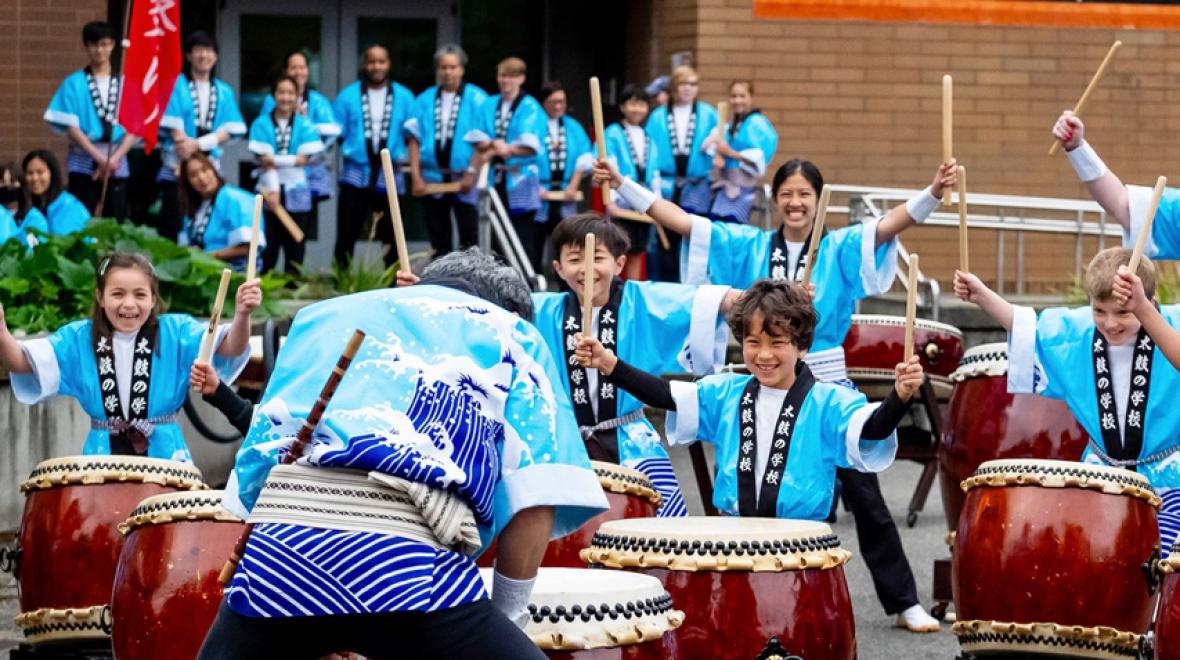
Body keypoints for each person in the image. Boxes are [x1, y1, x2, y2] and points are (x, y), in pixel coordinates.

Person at [593, 155, 953, 632]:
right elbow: (684, 222)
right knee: (749, 485)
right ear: (774, 199)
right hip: (756, 382)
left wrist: (933, 193)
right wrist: (624, 186)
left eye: (805, 194)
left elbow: (889, 225)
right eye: (787, 193)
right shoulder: (751, 246)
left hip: (826, 385)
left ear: (819, 200)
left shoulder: (838, 247)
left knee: (867, 501)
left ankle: (903, 600)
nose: (795, 202)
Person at [199, 248, 608, 659]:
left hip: (280, 557)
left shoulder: (319, 316)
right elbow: (536, 493)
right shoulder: (512, 331)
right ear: (513, 310)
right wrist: (504, 620)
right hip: (408, 570)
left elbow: (257, 464)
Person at [574, 278, 920, 520]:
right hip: (734, 539)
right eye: (753, 343)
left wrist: (900, 396)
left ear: (801, 346)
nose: (764, 355)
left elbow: (873, 430)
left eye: (777, 343)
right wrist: (609, 364)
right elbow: (666, 395)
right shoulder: (727, 393)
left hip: (802, 542)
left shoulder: (829, 401)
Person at [956, 248, 1180, 552]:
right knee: (1100, 558)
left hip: (1169, 475)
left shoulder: (1171, 324)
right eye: (1099, 311)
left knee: (1167, 565)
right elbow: (1029, 328)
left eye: (1123, 313)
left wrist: (1142, 310)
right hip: (1101, 474)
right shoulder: (1079, 332)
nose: (1110, 323)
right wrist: (982, 296)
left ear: (1149, 302)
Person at [532, 214, 738, 517]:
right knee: (549, 521)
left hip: (630, 438)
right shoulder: (542, 309)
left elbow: (711, 300)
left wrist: (770, 300)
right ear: (558, 268)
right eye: (575, 260)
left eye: (597, 258)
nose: (586, 269)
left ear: (619, 264)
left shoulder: (641, 300)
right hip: (565, 439)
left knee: (664, 524)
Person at [0, 252, 256, 460]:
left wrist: (242, 315)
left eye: (140, 294)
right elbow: (21, 363)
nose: (129, 304)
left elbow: (230, 348)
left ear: (153, 299)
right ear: (100, 297)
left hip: (166, 456)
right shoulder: (78, 339)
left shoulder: (176, 332)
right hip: (101, 458)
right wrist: (1, 331)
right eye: (118, 294)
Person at [157, 31, 247, 242]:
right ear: (188, 55)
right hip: (178, 165)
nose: (204, 55)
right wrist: (185, 145)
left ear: (215, 56)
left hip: (209, 167)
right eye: (198, 50)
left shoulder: (224, 91)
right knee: (174, 220)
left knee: (210, 218)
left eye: (209, 50)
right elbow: (173, 125)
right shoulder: (175, 84)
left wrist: (199, 144)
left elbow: (231, 128)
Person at [42, 21, 136, 220]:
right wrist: (100, 159)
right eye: (93, 44)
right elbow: (71, 127)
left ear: (112, 45)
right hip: (83, 160)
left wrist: (113, 159)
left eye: (104, 44)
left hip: (117, 161)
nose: (99, 50)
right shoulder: (73, 83)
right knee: (80, 219)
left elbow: (134, 128)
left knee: (116, 221)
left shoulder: (126, 84)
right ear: (86, 46)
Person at [333, 45, 415, 268]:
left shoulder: (404, 97)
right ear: (364, 65)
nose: (376, 66)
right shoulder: (347, 96)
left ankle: (395, 280)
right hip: (355, 171)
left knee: (393, 234)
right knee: (347, 231)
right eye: (372, 62)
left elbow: (412, 135)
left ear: (388, 64)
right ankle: (341, 280)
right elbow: (338, 133)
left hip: (390, 172)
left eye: (381, 61)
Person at [466, 57, 546, 268]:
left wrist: (505, 149)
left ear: (521, 78)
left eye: (511, 76)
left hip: (520, 179)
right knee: (492, 237)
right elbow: (476, 137)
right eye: (502, 75)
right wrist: (495, 145)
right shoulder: (489, 104)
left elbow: (530, 145)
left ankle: (523, 281)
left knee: (521, 238)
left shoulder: (530, 106)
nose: (505, 81)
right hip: (492, 177)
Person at [644, 65, 717, 282]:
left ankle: (693, 283)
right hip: (666, 183)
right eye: (683, 83)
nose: (687, 88)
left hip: (697, 184)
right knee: (665, 237)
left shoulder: (708, 114)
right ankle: (666, 282)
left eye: (692, 84)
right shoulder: (658, 116)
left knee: (695, 233)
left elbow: (720, 142)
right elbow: (650, 150)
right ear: (674, 87)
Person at [248, 75, 326, 273]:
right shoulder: (260, 124)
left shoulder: (305, 124)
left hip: (297, 188)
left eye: (290, 93)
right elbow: (264, 160)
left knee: (296, 243)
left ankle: (293, 283)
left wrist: (275, 159)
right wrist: (289, 163)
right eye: (281, 92)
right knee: (269, 242)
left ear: (297, 96)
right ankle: (265, 283)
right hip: (268, 189)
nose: (286, 97)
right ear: (274, 95)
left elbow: (303, 160)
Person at [259, 51, 342, 207]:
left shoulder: (318, 100)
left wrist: (304, 123)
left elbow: (332, 132)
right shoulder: (271, 101)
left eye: (302, 67)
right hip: (276, 173)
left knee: (305, 217)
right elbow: (264, 134)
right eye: (293, 68)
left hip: (309, 170)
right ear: (285, 71)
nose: (298, 72)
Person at [602, 84, 661, 281]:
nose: (637, 109)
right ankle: (613, 290)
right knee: (616, 250)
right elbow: (607, 166)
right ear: (622, 107)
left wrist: (657, 202)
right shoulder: (613, 132)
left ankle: (632, 289)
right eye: (632, 104)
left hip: (642, 201)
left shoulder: (649, 136)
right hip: (621, 201)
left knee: (637, 251)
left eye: (642, 104)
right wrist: (610, 201)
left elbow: (655, 172)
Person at [535, 81, 592, 270]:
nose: (558, 106)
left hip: (566, 191)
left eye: (562, 102)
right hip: (539, 193)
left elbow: (585, 156)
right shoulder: (534, 124)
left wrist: (574, 184)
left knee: (566, 242)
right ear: (543, 103)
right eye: (553, 102)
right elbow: (525, 158)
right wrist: (533, 186)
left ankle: (565, 280)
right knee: (535, 242)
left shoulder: (573, 126)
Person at [706, 80, 779, 224]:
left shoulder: (756, 122)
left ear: (751, 97)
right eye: (733, 96)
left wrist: (729, 152)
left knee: (731, 223)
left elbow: (757, 156)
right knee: (717, 223)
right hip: (726, 184)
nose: (737, 100)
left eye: (742, 96)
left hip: (743, 186)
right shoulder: (734, 124)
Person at [177, 153, 266, 272]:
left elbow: (248, 248)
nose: (201, 178)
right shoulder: (192, 209)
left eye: (205, 169)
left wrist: (207, 256)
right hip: (201, 272)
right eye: (193, 175)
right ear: (187, 182)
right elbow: (185, 250)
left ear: (214, 170)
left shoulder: (235, 198)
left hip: (235, 273)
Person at [23, 150, 91, 235]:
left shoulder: (68, 207)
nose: (34, 178)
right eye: (30, 173)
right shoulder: (33, 206)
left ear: (52, 174)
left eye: (40, 172)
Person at [0, 162, 50, 247]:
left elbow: (40, 246)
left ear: (21, 184)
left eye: (12, 181)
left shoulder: (34, 217)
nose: (7, 186)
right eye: (2, 182)